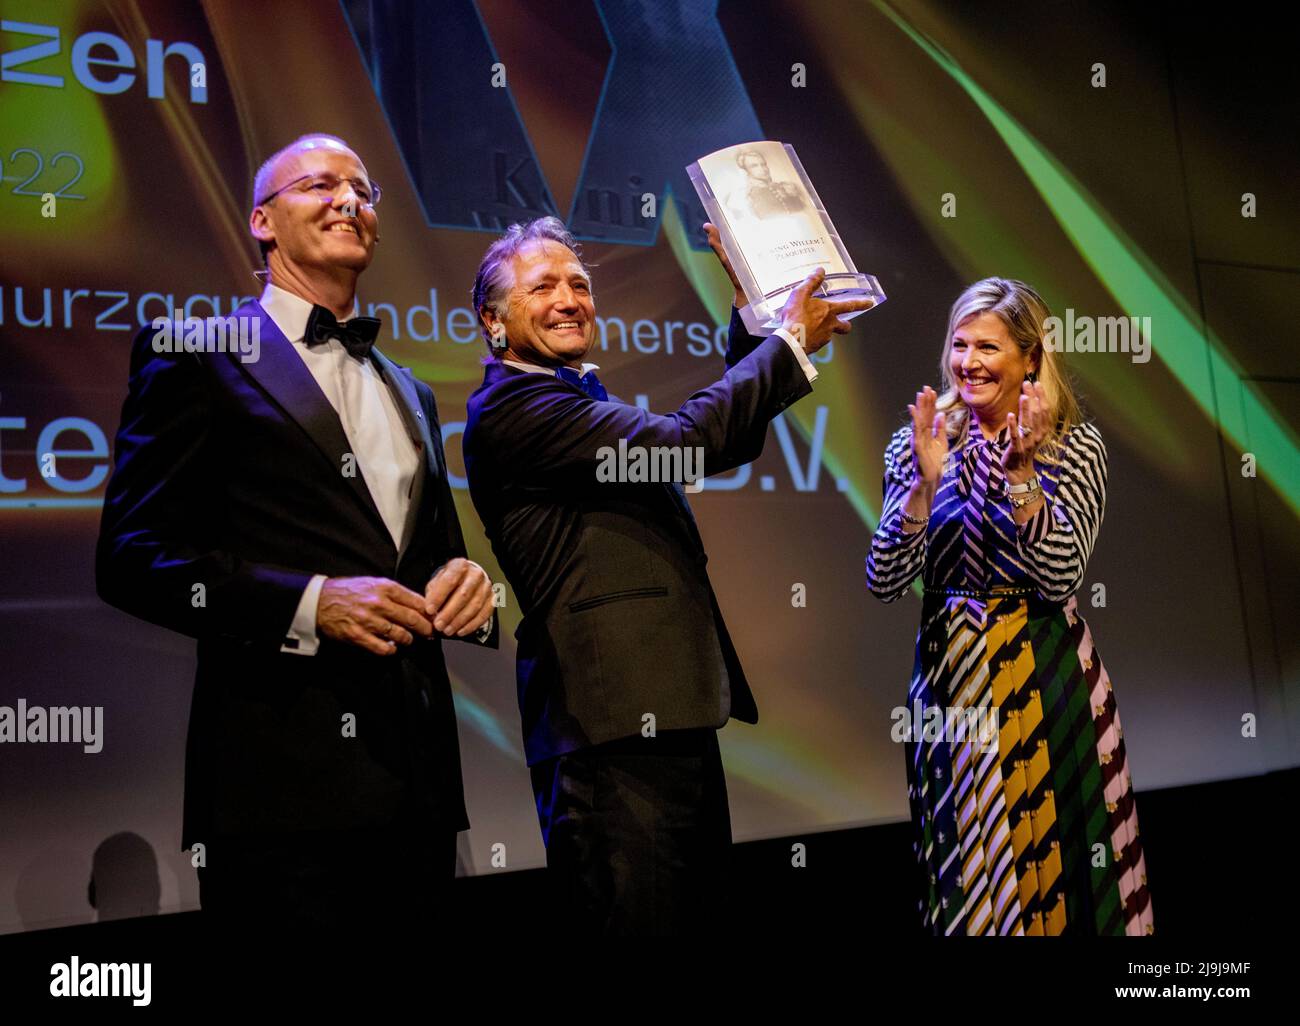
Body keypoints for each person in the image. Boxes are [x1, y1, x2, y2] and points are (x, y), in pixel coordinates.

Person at [96, 134, 497, 933]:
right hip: (278, 793)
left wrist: (477, 588)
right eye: (320, 184)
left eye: (364, 189)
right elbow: (132, 557)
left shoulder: (410, 389)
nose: (351, 199)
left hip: (417, 786)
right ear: (262, 222)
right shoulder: (196, 350)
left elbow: (435, 555)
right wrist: (312, 605)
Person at [463, 216, 871, 934]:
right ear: (492, 321)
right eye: (543, 286)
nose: (569, 298)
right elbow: (686, 442)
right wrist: (786, 342)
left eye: (579, 284)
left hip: (660, 719)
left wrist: (755, 308)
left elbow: (725, 442)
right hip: (608, 734)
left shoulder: (574, 399)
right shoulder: (514, 409)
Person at [867, 278, 1153, 936]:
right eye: (960, 344)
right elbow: (884, 581)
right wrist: (921, 490)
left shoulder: (1073, 447)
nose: (969, 361)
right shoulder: (918, 443)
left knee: (1059, 869)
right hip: (948, 690)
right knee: (967, 877)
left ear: (1029, 358)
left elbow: (1058, 579)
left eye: (988, 346)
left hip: (1044, 683)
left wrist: (1023, 476)